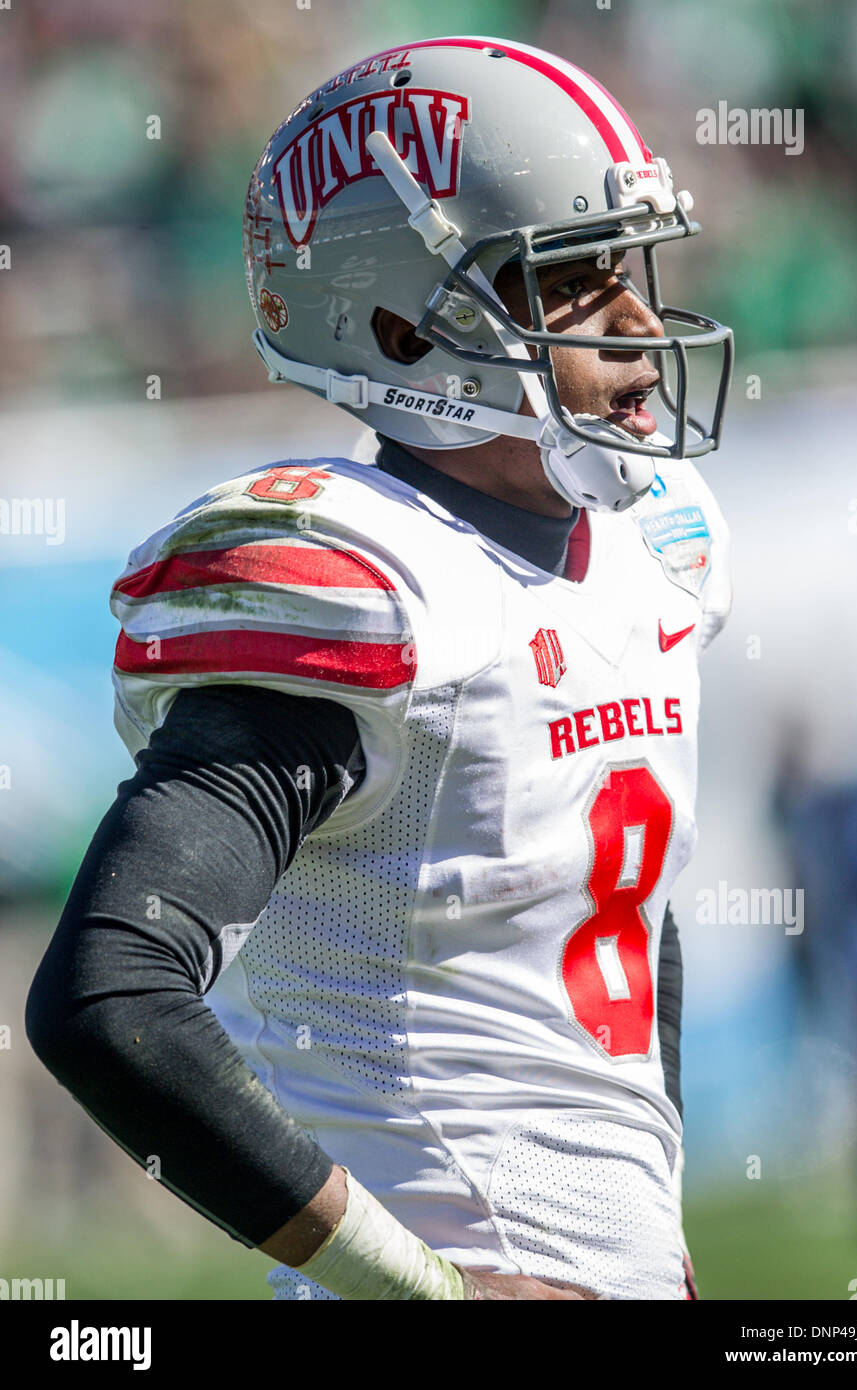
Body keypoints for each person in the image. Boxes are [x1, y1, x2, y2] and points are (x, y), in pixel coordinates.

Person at [26, 35, 733, 1300]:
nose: (637, 321)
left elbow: (619, 925)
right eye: (568, 281)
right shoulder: (357, 582)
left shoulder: (658, 544)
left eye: (629, 266)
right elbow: (113, 997)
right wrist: (428, 1292)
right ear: (409, 329)